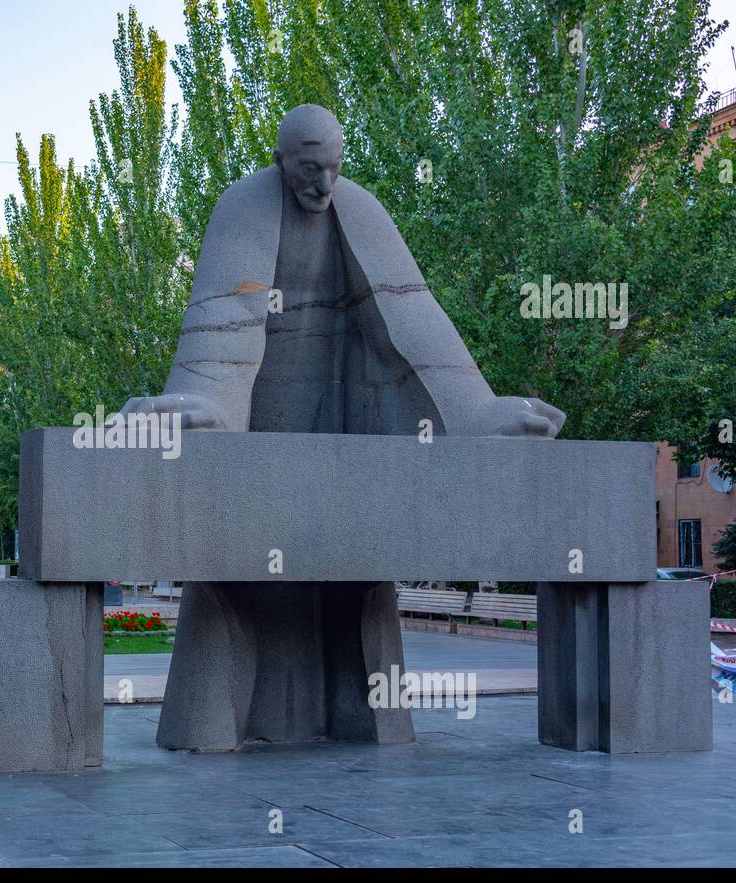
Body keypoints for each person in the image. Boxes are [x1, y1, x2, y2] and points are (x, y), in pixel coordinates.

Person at [121, 104, 565, 752]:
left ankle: (358, 717)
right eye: (308, 169)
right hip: (257, 434)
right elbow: (221, 321)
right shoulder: (242, 208)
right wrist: (204, 399)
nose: (322, 186)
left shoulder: (360, 210)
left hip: (339, 426)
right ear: (281, 161)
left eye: (331, 169)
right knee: (237, 586)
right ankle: (220, 719)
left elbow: (413, 317)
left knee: (355, 582)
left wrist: (473, 411)